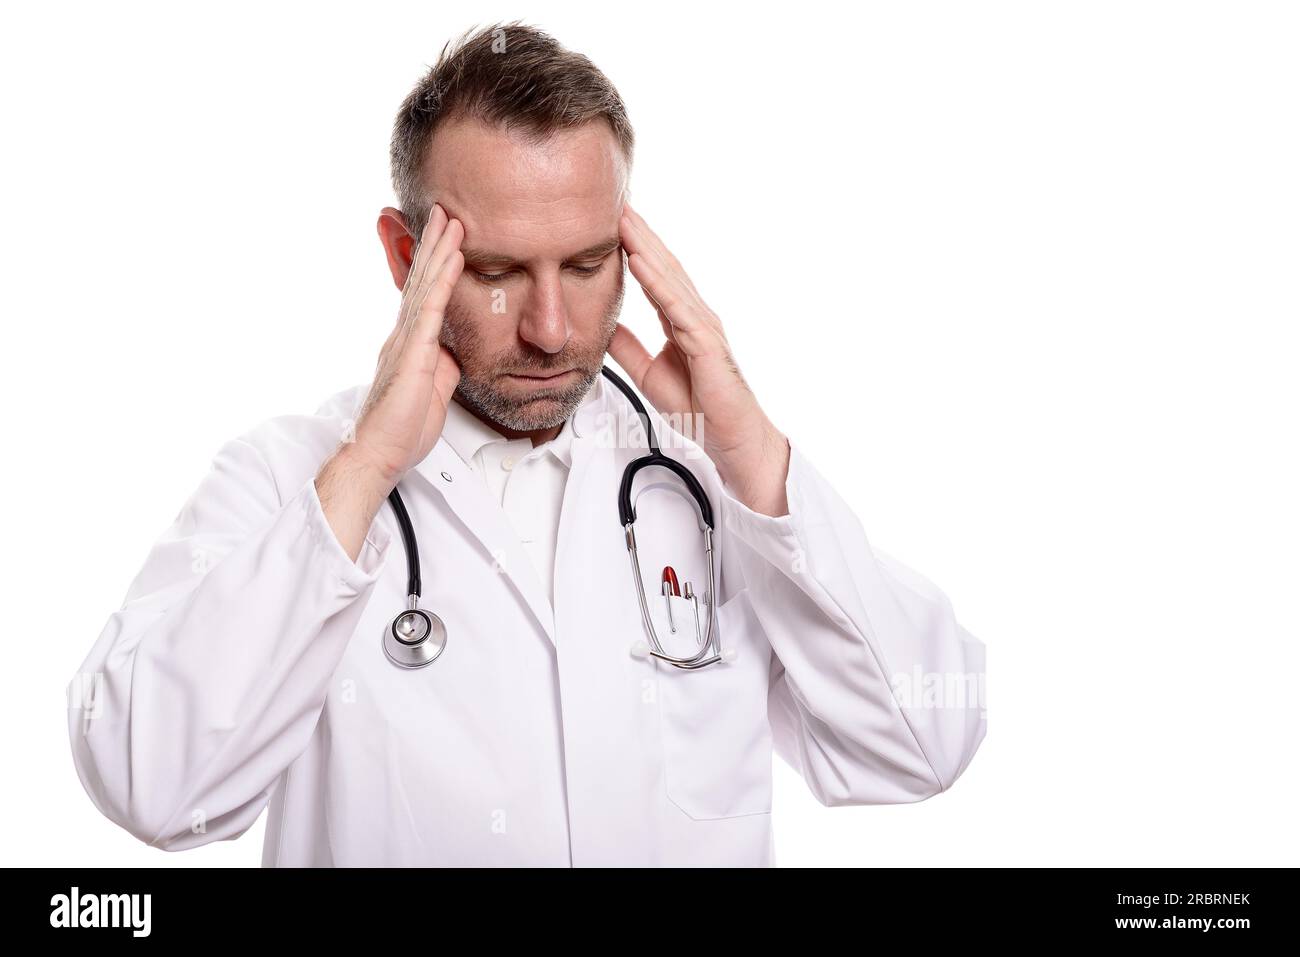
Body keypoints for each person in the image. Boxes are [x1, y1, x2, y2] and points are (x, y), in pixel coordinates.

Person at [66, 22, 987, 867]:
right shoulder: (288, 480)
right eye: (499, 271)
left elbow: (922, 745)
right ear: (404, 256)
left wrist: (749, 458)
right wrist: (363, 474)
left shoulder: (709, 488)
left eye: (589, 265)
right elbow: (151, 787)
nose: (551, 329)